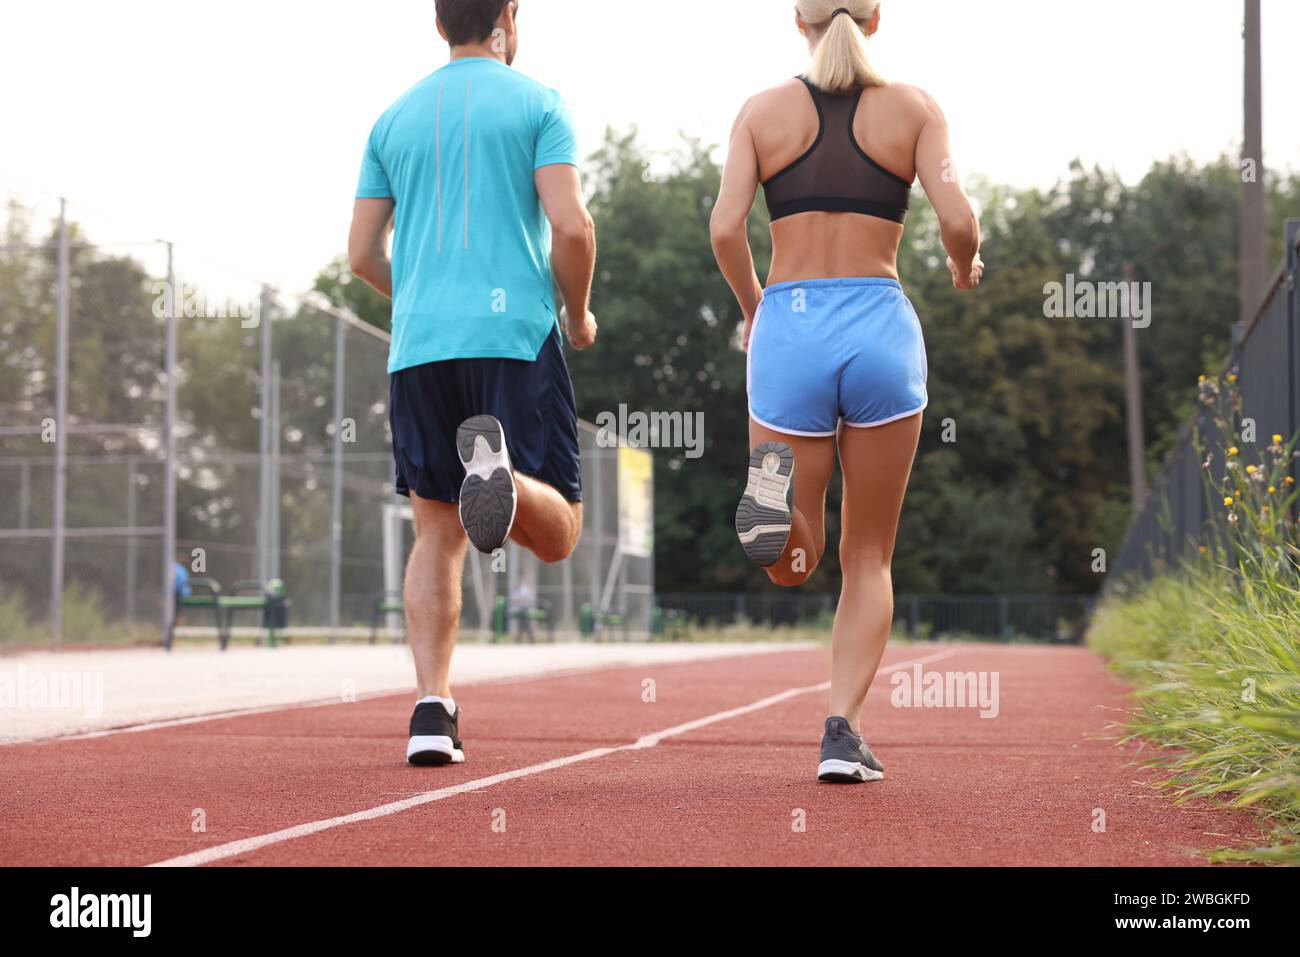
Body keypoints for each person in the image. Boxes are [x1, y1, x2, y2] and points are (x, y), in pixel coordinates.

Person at [710, 0, 982, 783]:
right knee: (868, 555)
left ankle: (782, 511)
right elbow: (958, 217)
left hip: (789, 324)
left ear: (797, 21)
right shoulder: (914, 108)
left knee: (798, 556)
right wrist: (964, 267)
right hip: (878, 327)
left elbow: (726, 228)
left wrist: (755, 305)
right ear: (876, 19)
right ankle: (842, 729)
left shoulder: (761, 112)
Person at [348, 0, 598, 766]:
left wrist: (426, 298)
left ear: (438, 21)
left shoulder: (391, 119)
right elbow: (573, 227)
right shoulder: (539, 103)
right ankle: (512, 488)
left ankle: (432, 708)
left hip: (422, 347)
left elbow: (360, 254)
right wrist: (579, 315)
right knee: (560, 537)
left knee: (436, 533)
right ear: (509, 16)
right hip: (514, 338)